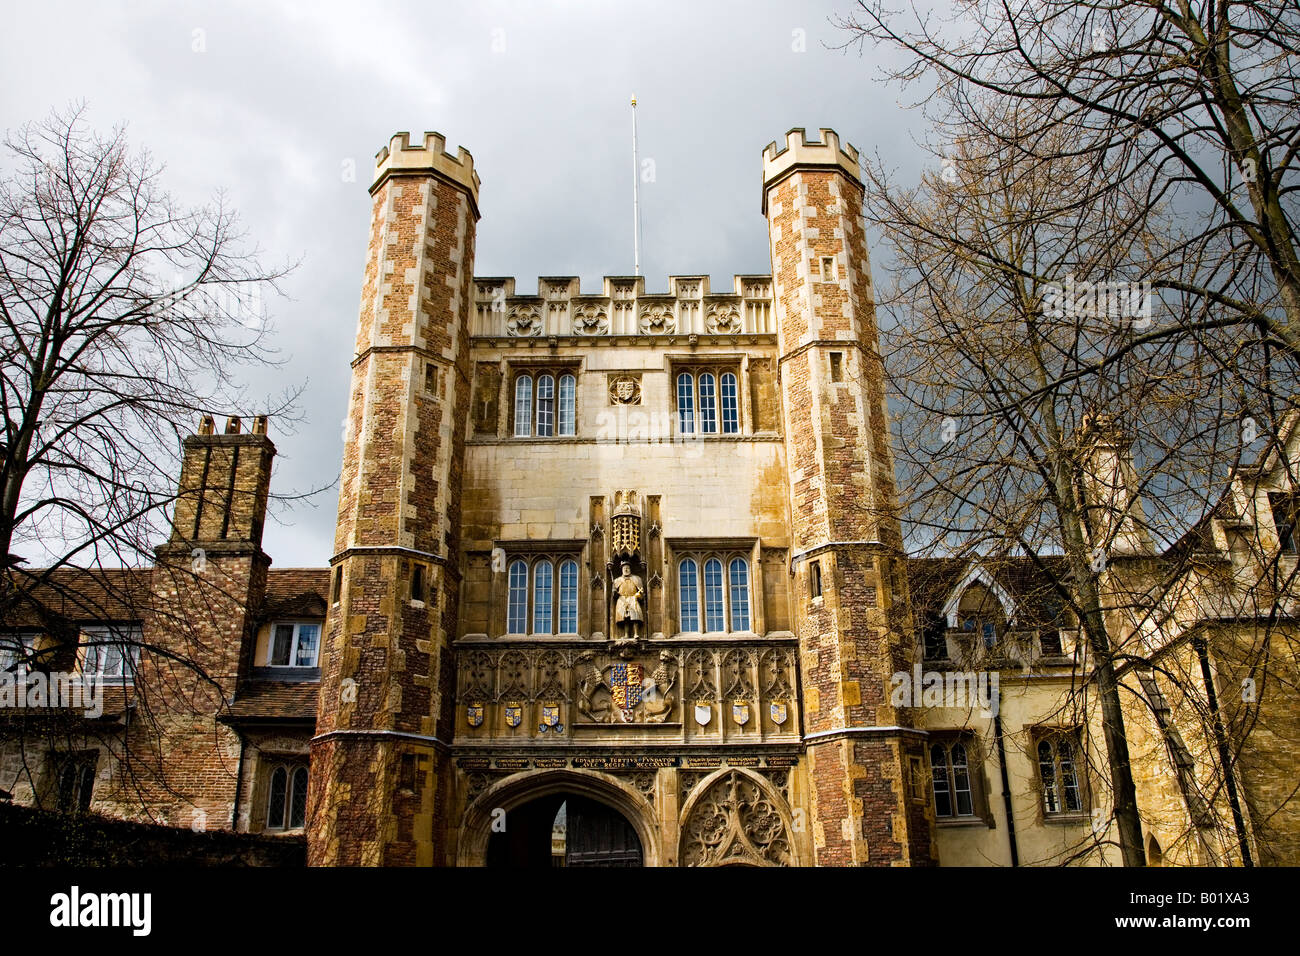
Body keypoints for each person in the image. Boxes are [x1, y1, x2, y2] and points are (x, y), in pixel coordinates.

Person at [613, 561, 644, 641]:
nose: (626, 569)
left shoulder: (636, 578)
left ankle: (636, 633)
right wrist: (615, 593)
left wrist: (639, 594)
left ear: (630, 569)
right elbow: (614, 594)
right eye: (624, 568)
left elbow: (641, 590)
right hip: (622, 599)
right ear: (622, 569)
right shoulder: (617, 580)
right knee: (625, 617)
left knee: (635, 616)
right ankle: (626, 634)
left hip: (633, 598)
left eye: (627, 568)